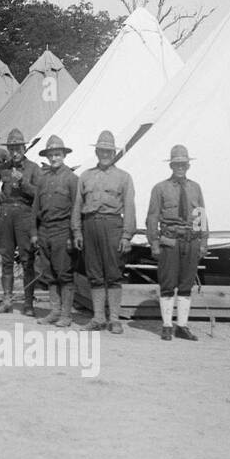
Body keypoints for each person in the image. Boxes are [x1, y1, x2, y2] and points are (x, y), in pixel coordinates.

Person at [73, 129, 137, 334]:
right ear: (97, 151)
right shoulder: (85, 176)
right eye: (101, 150)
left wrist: (127, 235)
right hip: (90, 225)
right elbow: (77, 206)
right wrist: (77, 232)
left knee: (113, 273)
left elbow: (129, 207)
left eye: (109, 151)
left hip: (112, 226)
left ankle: (114, 319)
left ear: (114, 153)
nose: (105, 154)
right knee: (94, 273)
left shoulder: (124, 177)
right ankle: (98, 317)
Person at [146, 144, 206, 342]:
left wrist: (204, 241)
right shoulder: (160, 188)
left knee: (186, 284)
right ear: (171, 165)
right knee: (168, 284)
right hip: (170, 242)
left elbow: (202, 216)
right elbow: (152, 218)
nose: (180, 167)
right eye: (176, 164)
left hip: (191, 241)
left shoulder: (195, 188)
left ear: (188, 165)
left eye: (183, 164)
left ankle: (182, 325)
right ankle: (166, 326)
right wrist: (153, 243)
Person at [0, 127, 40, 316]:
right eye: (11, 148)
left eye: (18, 148)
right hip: (6, 215)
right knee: (6, 259)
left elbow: (39, 194)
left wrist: (23, 183)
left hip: (25, 215)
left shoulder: (33, 168)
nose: (14, 152)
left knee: (27, 260)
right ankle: (7, 300)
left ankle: (28, 303)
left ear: (24, 148)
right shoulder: (3, 168)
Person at [33, 135, 79, 327]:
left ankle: (66, 315)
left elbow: (77, 209)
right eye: (51, 155)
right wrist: (34, 233)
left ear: (64, 155)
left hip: (63, 231)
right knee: (49, 273)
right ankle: (54, 311)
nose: (54, 159)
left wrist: (73, 235)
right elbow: (35, 208)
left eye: (57, 154)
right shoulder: (43, 180)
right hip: (45, 231)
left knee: (64, 273)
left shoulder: (72, 179)